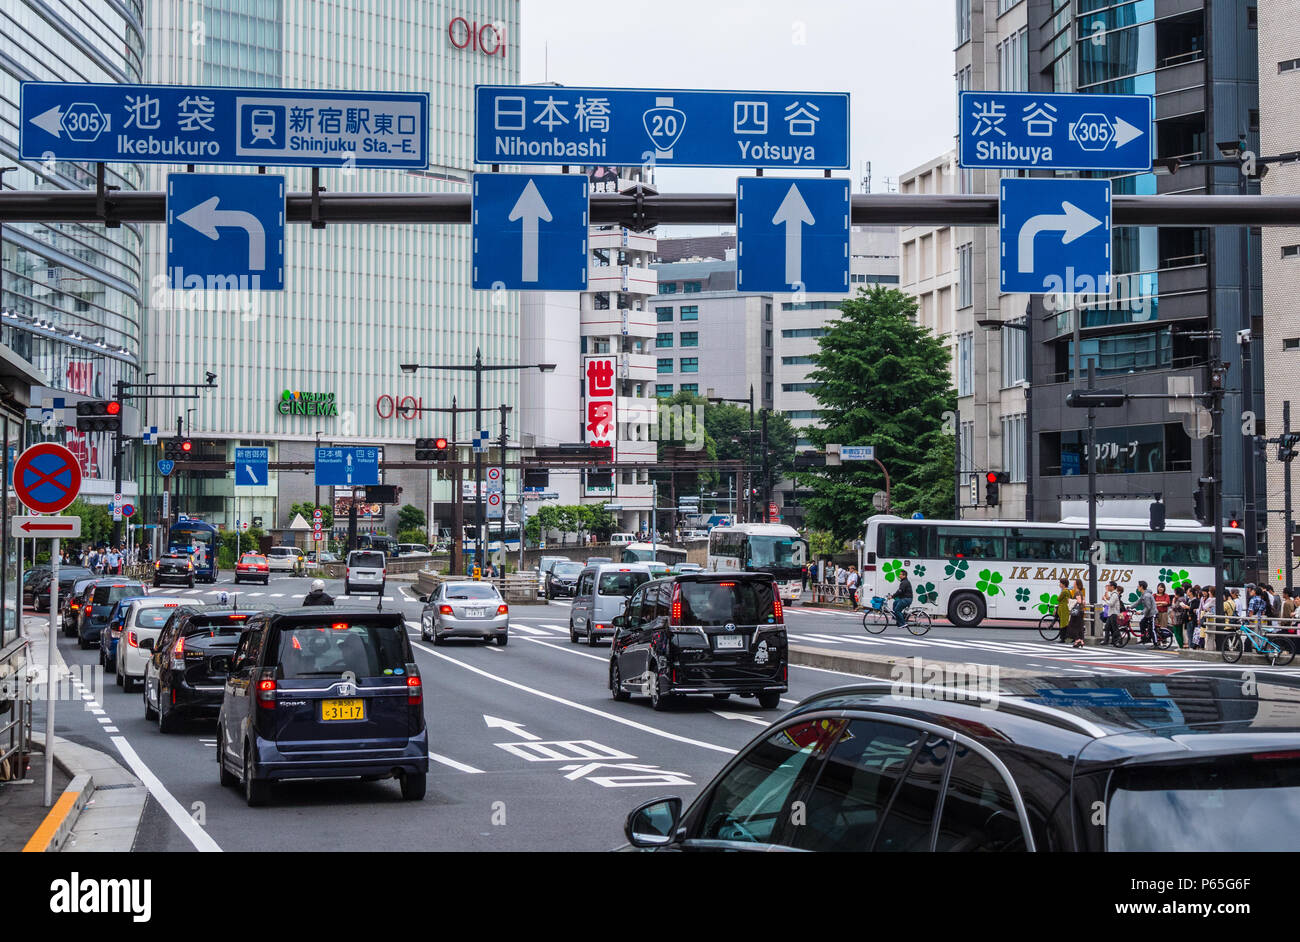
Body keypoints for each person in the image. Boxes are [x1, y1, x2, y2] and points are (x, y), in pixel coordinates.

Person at [1066, 577, 1086, 648]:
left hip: (1076, 612)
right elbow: (1083, 603)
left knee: (1072, 626)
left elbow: (1079, 601)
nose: (1073, 584)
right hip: (1081, 611)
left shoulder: (1077, 592)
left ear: (1077, 584)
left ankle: (1077, 640)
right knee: (1080, 627)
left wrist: (1070, 600)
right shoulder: (1081, 592)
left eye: (1074, 583)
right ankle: (1081, 640)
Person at [1102, 581, 1123, 646]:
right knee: (1107, 627)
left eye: (1109, 586)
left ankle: (1119, 640)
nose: (1108, 587)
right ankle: (1106, 641)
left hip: (1114, 613)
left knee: (1115, 628)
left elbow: (1111, 604)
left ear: (1112, 587)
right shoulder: (1113, 594)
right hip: (1111, 613)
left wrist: (1105, 600)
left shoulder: (1114, 594)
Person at [1056, 578, 1073, 645]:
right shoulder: (1068, 591)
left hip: (1063, 609)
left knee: (1063, 623)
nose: (1059, 584)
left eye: (1060, 583)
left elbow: (1058, 599)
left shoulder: (1064, 591)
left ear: (1063, 584)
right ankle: (1065, 638)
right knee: (1065, 623)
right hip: (1065, 608)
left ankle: (1063, 638)